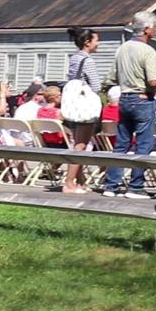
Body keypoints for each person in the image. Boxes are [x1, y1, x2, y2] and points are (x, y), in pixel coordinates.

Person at [100, 11, 156, 197]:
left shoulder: (122, 48)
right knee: (143, 144)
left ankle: (111, 185)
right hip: (142, 99)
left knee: (121, 143)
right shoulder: (148, 51)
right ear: (147, 29)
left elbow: (111, 78)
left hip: (125, 98)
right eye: (154, 27)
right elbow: (153, 81)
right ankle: (136, 186)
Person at [58, 27, 106, 194]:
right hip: (85, 107)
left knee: (76, 143)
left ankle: (81, 181)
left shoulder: (74, 58)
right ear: (87, 42)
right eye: (96, 40)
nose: (98, 43)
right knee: (81, 145)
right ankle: (69, 183)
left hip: (74, 106)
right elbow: (96, 85)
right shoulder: (88, 61)